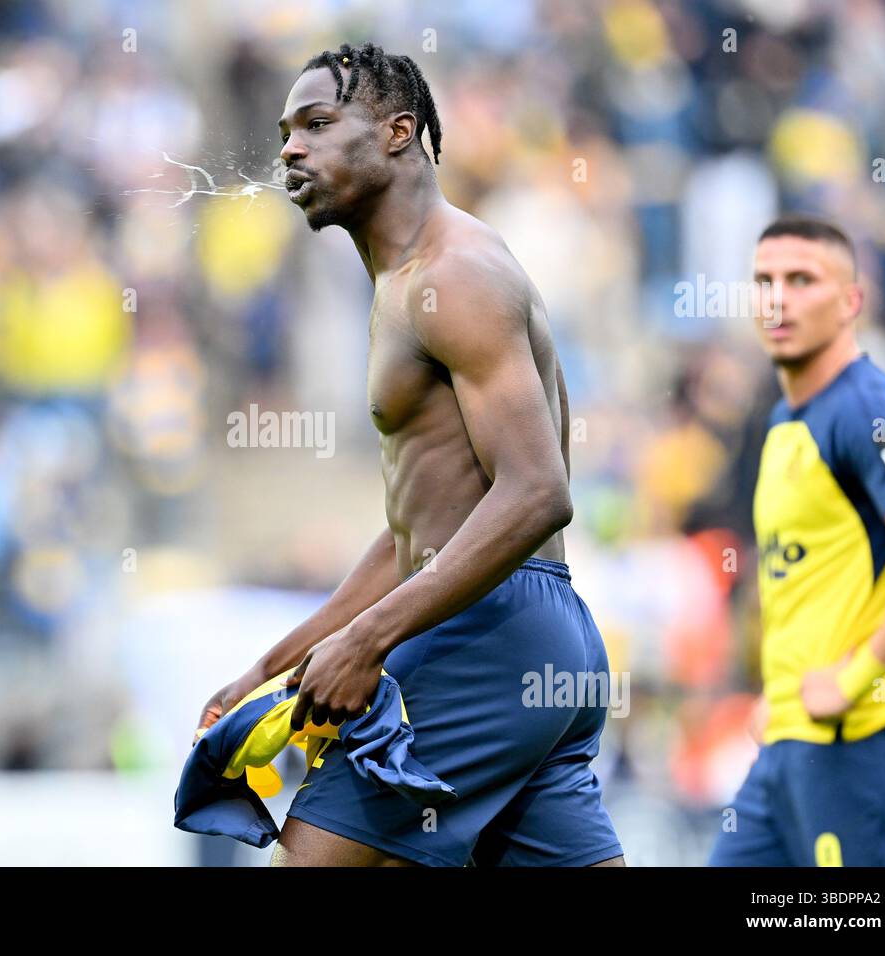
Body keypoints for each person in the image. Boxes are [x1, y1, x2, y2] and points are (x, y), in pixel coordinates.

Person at [193, 41, 623, 867]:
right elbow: (412, 542)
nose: (289, 146)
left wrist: (368, 642)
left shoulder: (452, 275)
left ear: (400, 132)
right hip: (529, 640)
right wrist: (270, 668)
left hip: (483, 637)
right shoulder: (405, 283)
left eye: (317, 123)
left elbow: (538, 492)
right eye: (286, 130)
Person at [709, 216, 885, 866]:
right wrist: (778, 694)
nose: (777, 297)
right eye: (765, 281)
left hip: (864, 742)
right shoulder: (783, 419)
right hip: (789, 741)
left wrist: (858, 674)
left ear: (851, 301)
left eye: (802, 280)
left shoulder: (870, 407)